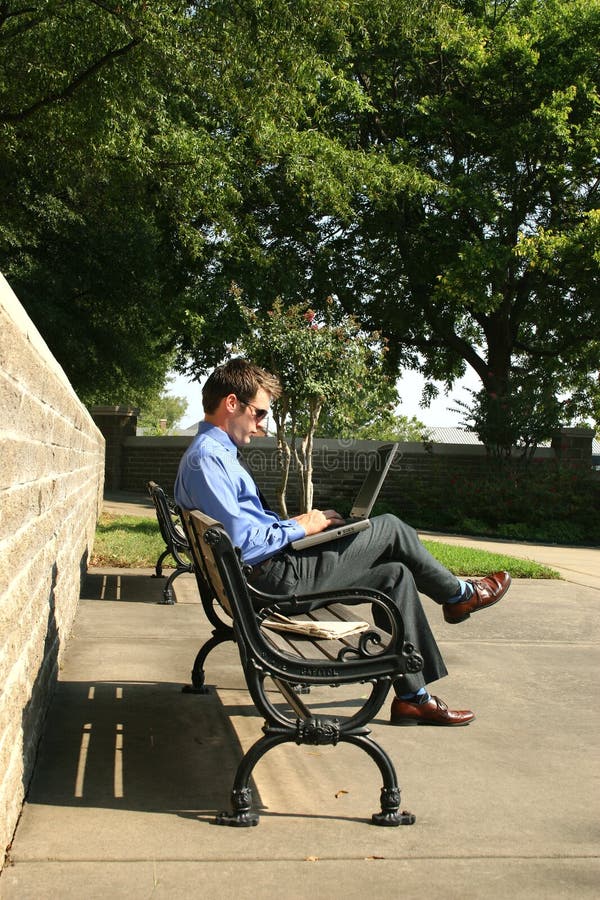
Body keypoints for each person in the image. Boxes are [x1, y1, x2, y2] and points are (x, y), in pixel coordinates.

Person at [175, 358, 511, 726]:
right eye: (259, 414)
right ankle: (461, 595)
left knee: (394, 574)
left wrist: (301, 523)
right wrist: (301, 529)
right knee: (391, 528)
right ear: (231, 403)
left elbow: (242, 530)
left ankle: (414, 697)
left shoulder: (211, 454)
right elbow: (244, 544)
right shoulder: (209, 459)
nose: (262, 427)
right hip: (270, 583)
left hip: (264, 575)